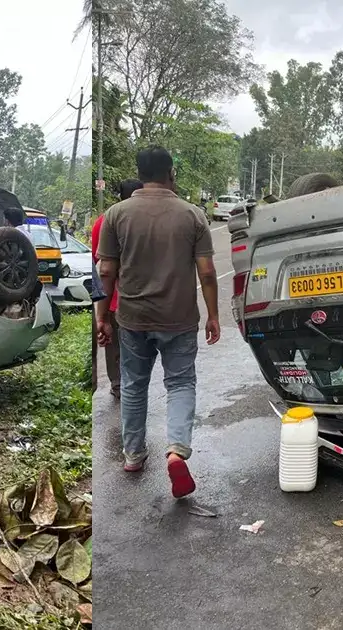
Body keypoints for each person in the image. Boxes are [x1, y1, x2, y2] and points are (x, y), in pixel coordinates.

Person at [95, 146, 220, 498]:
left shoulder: (115, 215)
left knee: (134, 385)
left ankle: (133, 455)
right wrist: (213, 314)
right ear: (170, 174)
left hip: (132, 318)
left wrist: (101, 317)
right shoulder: (193, 215)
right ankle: (177, 449)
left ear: (140, 173)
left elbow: (105, 271)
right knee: (180, 383)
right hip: (179, 319)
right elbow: (207, 272)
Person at [90, 179, 143, 398]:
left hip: (112, 298)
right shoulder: (148, 220)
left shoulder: (104, 221)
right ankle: (133, 384)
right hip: (142, 298)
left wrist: (98, 299)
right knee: (137, 345)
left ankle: (118, 384)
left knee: (113, 344)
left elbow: (96, 264)